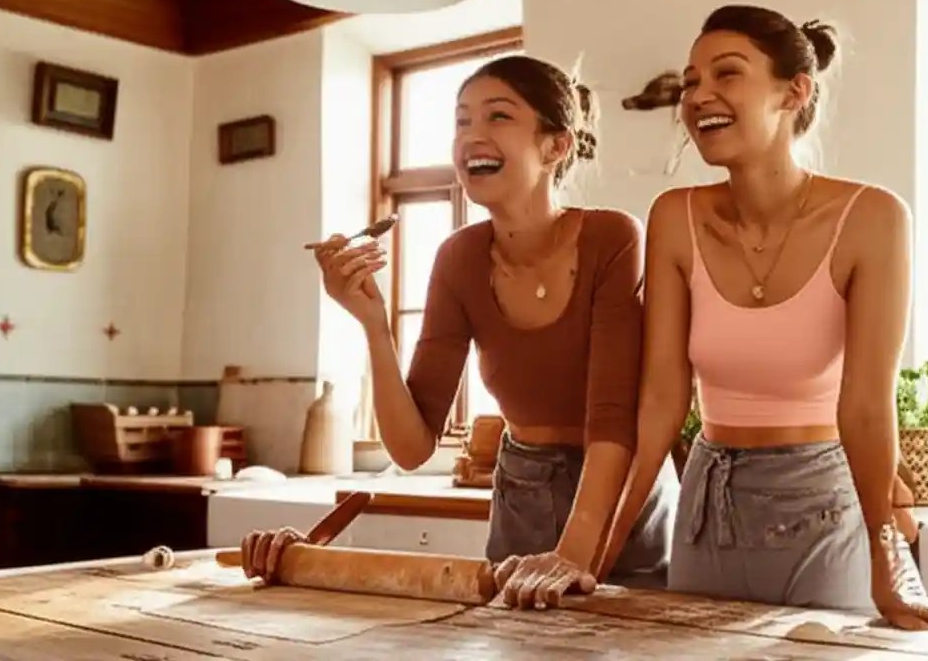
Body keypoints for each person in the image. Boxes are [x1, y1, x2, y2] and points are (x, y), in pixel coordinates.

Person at [555, 4, 928, 629]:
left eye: (728, 75)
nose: (700, 96)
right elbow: (663, 403)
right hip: (706, 506)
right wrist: (594, 557)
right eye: (692, 81)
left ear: (793, 91)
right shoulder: (674, 217)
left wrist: (894, 564)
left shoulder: (873, 219)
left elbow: (864, 406)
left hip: (820, 506)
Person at [238, 55, 675, 608]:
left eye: (498, 117)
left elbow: (612, 420)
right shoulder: (458, 258)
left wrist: (572, 555)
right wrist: (374, 327)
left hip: (615, 498)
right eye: (461, 121)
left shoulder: (613, 238)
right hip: (521, 497)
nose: (472, 136)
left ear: (555, 145)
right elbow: (414, 445)